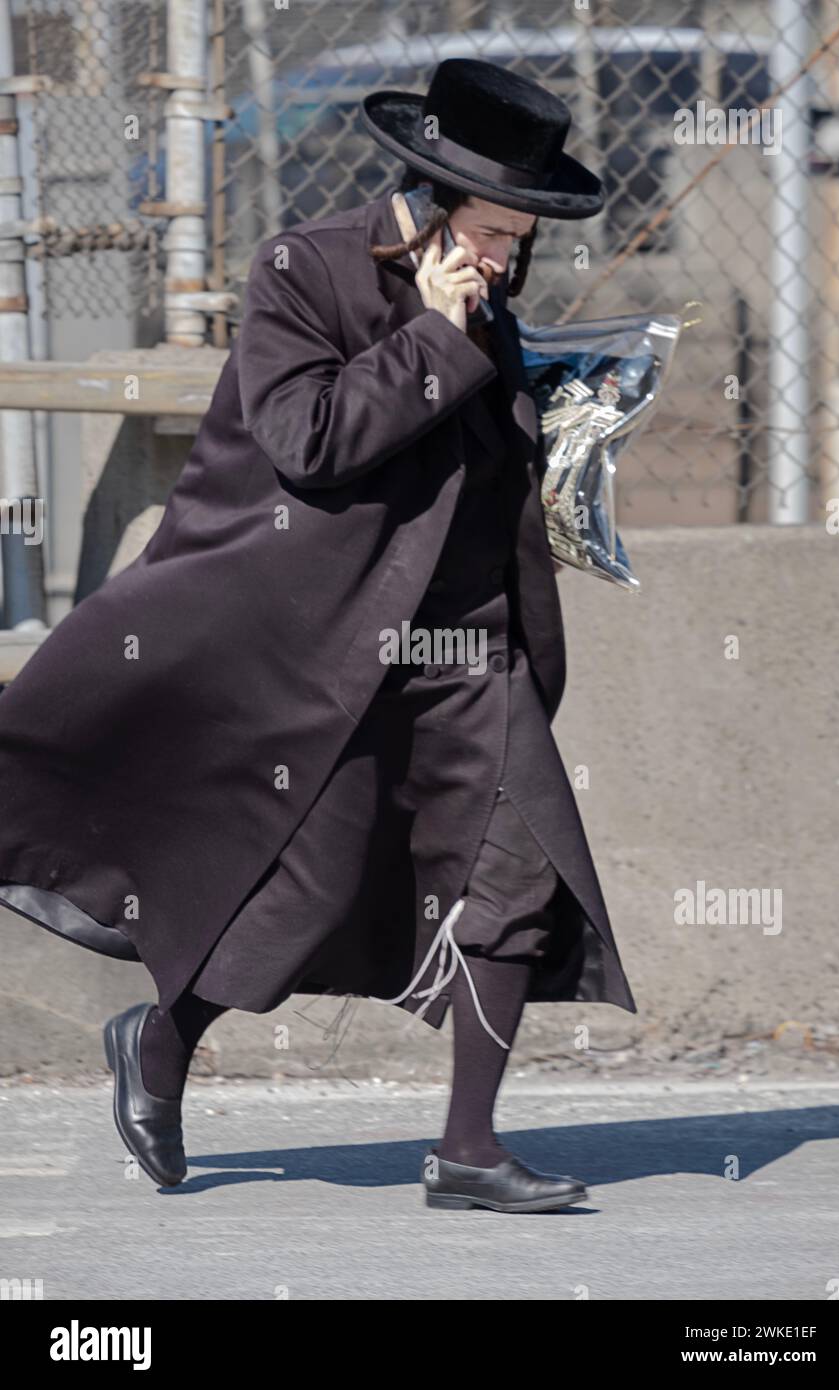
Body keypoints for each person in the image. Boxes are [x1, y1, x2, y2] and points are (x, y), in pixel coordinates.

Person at [0, 58, 636, 1215]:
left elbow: (473, 458)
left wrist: (562, 413)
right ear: (432, 198)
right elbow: (310, 440)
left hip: (467, 639)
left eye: (517, 235)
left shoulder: (485, 286)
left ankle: (467, 1148)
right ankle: (159, 1035)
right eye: (490, 231)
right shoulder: (304, 269)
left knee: (517, 870)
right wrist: (440, 340)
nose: (502, 256)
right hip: (322, 640)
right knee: (300, 889)